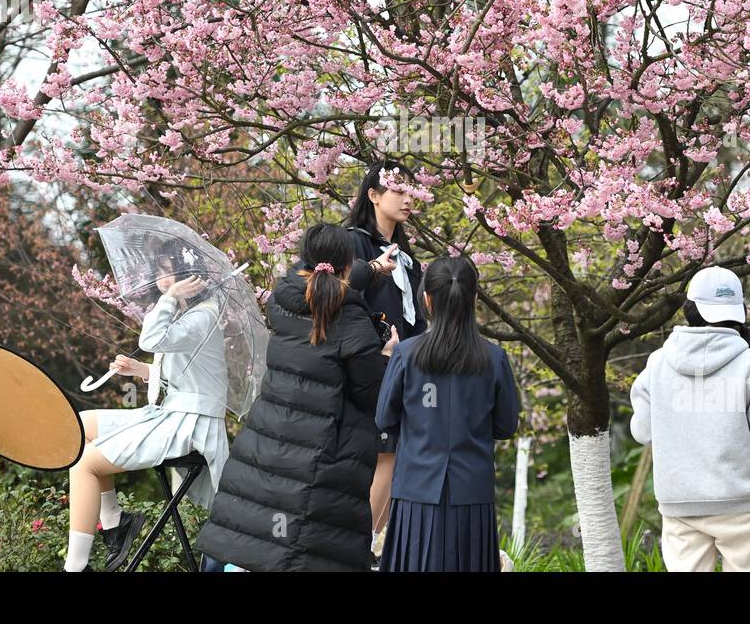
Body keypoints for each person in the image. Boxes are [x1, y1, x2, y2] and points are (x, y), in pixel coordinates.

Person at [196, 223, 390, 570]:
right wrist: (384, 353)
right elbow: (371, 393)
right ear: (347, 264)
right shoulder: (352, 320)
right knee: (294, 547)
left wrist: (368, 273)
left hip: (266, 442)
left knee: (254, 532)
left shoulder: (283, 303)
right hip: (319, 457)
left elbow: (327, 288)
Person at [64, 240, 230, 572]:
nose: (163, 281)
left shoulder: (203, 316)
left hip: (190, 425)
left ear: (191, 275)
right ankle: (116, 524)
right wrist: (143, 371)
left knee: (83, 464)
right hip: (172, 414)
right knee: (78, 427)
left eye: (170, 272)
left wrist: (168, 299)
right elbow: (186, 375)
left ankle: (76, 566)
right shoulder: (189, 314)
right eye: (160, 273)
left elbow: (150, 340)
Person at [630, 266, 750, 572]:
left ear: (689, 309)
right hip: (743, 503)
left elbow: (642, 431)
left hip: (680, 502)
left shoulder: (657, 363)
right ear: (738, 312)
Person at [376, 255, 518, 571]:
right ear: (474, 298)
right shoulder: (494, 358)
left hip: (416, 490)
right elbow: (507, 425)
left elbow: (384, 418)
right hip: (472, 494)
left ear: (427, 299)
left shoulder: (405, 354)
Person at [344, 160, 427, 544]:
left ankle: (374, 546)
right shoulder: (354, 243)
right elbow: (342, 296)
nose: (408, 198)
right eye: (398, 190)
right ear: (373, 196)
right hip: (372, 365)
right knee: (386, 453)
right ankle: (360, 548)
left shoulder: (406, 254)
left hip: (404, 364)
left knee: (398, 456)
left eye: (412, 190)